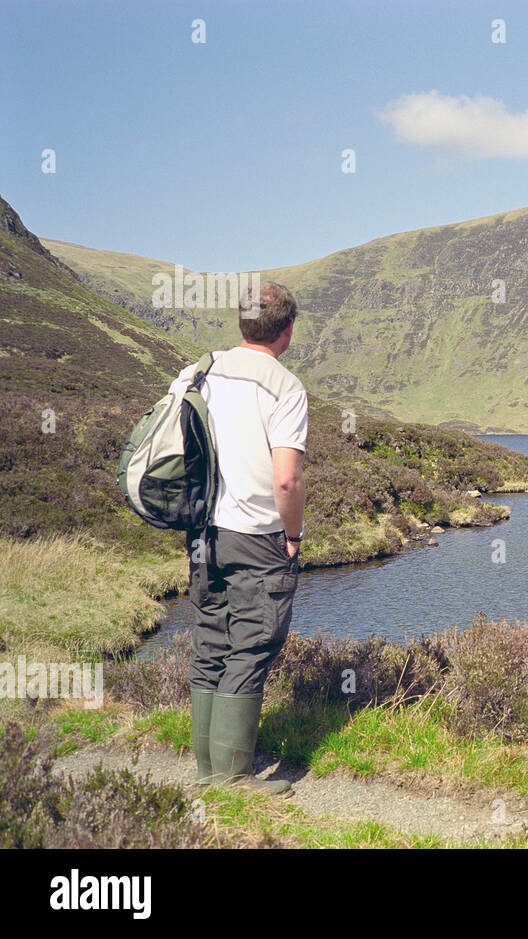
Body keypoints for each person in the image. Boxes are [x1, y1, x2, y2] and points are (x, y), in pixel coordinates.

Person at [176, 281, 307, 794]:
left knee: (211, 640)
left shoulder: (198, 371)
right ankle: (232, 781)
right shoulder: (284, 387)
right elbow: (286, 479)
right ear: (288, 329)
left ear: (242, 322)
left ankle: (208, 773)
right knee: (252, 645)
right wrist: (292, 535)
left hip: (202, 532)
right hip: (257, 535)